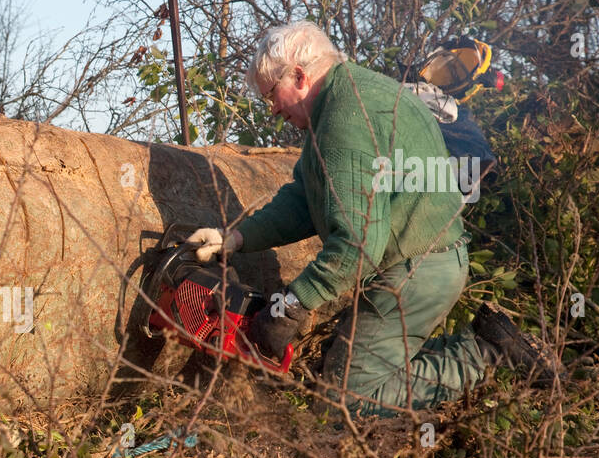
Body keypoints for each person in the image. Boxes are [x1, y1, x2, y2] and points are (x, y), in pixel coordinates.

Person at [188, 21, 559, 418]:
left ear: (298, 75)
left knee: (345, 403)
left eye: (271, 96)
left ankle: (485, 354)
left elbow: (357, 246)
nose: (274, 109)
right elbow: (301, 200)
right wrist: (238, 237)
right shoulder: (342, 100)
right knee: (346, 368)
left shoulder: (345, 120)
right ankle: (485, 340)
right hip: (422, 262)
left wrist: (291, 306)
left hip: (417, 271)